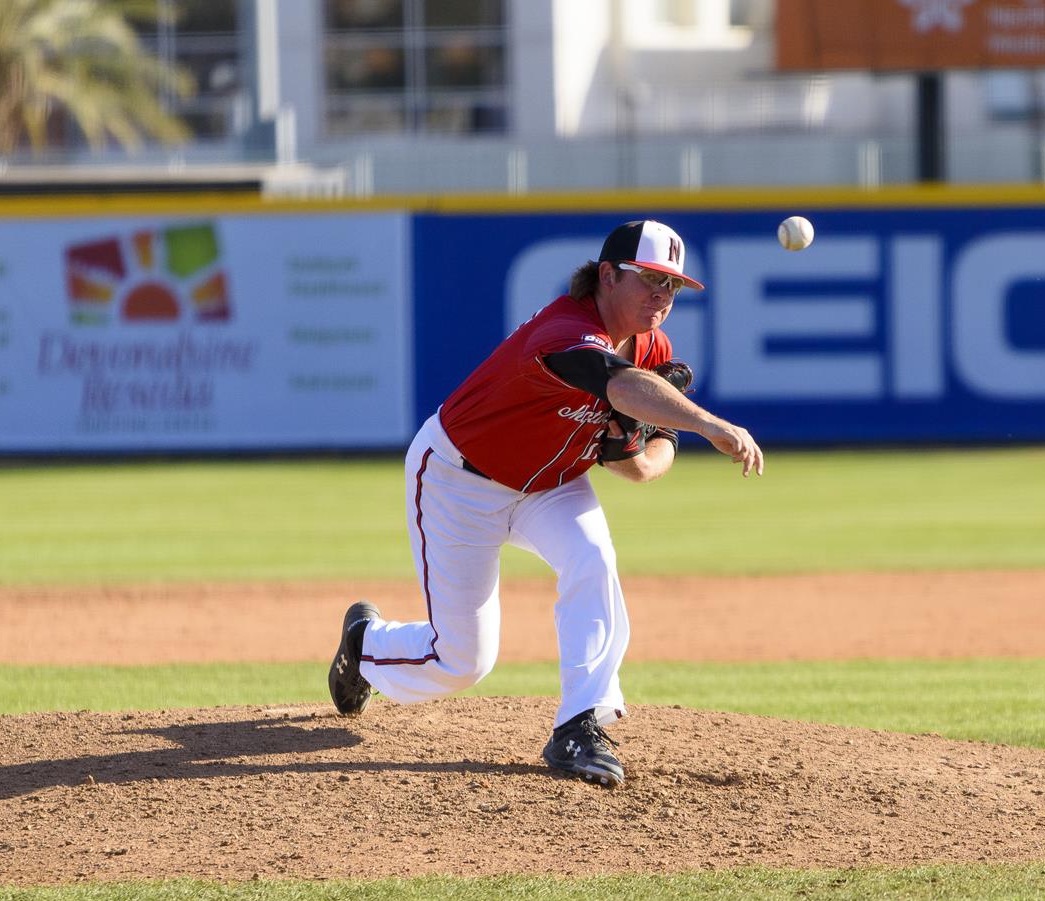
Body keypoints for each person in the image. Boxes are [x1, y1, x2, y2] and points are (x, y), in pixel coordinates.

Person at [326, 219, 764, 788]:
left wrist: (655, 446)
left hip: (551, 485)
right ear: (607, 276)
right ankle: (365, 646)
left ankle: (580, 724)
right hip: (461, 482)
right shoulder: (563, 330)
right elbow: (620, 386)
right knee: (462, 663)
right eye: (650, 280)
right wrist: (709, 424)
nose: (662, 297)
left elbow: (635, 465)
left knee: (594, 560)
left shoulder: (653, 347)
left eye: (673, 287)